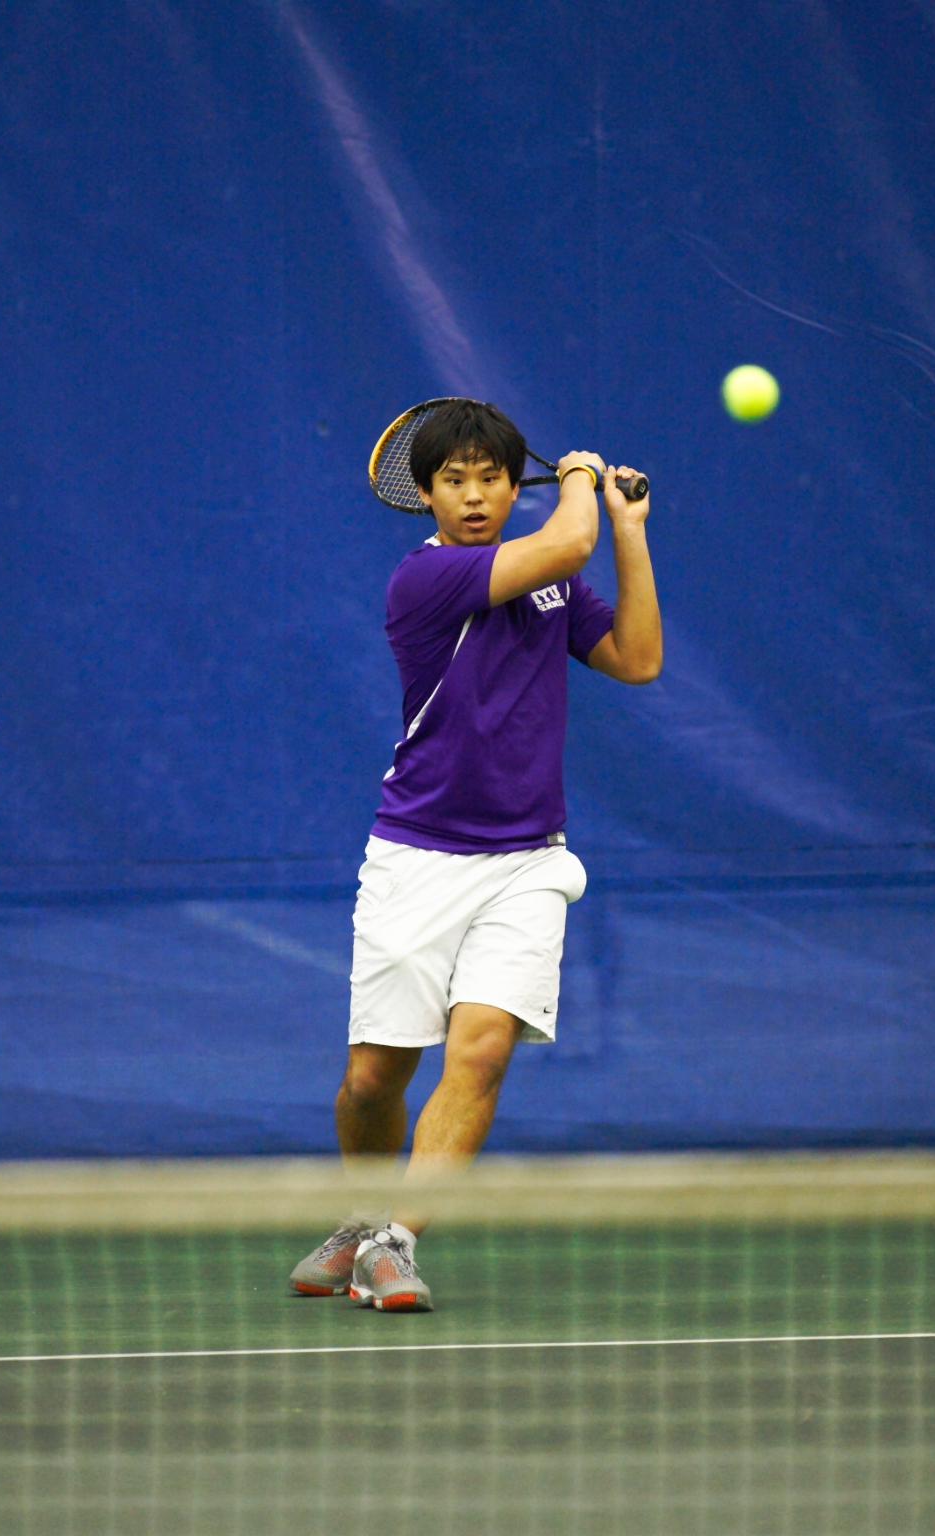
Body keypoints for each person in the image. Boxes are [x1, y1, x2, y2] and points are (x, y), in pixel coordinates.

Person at [290, 399, 662, 1310]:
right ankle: (360, 1216)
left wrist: (628, 530)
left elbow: (637, 657)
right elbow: (565, 544)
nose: (473, 495)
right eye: (453, 480)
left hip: (528, 862)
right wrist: (581, 478)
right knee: (373, 1077)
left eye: (490, 478)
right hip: (415, 856)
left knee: (483, 1050)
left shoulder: (551, 584)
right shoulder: (425, 579)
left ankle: (396, 1243)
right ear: (424, 495)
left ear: (508, 486)